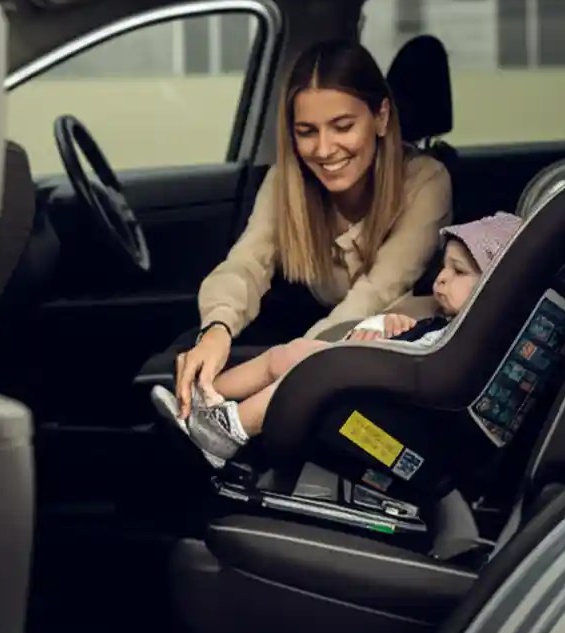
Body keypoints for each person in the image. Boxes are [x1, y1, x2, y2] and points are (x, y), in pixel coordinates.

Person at [172, 39, 452, 419]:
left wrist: (293, 366)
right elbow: (246, 264)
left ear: (381, 117)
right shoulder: (286, 182)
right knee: (189, 353)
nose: (324, 149)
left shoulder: (426, 181)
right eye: (307, 131)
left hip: (394, 346)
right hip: (322, 336)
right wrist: (216, 328)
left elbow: (377, 291)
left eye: (342, 126)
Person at [154, 212, 523, 467]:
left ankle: (226, 432)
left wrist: (376, 347)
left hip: (391, 409)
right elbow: (408, 344)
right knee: (291, 353)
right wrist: (384, 327)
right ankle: (203, 400)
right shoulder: (444, 323)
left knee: (308, 372)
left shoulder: (473, 345)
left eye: (458, 271)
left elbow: (422, 372)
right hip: (374, 374)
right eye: (444, 267)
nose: (440, 279)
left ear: (496, 288)